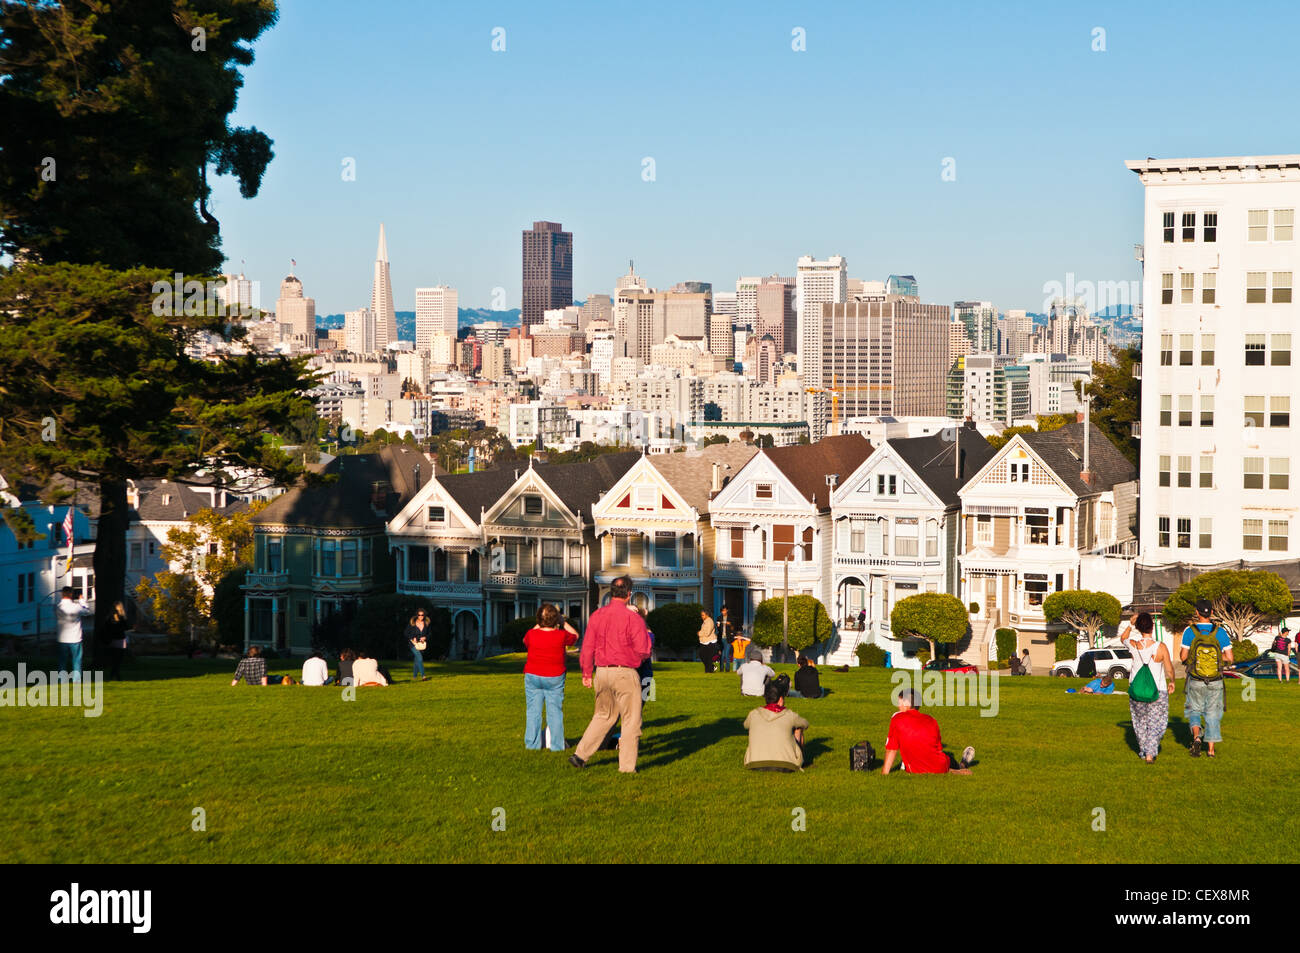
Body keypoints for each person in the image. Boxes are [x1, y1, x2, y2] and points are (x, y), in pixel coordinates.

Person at [570, 576, 652, 772]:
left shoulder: (597, 615)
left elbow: (587, 647)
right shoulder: (633, 618)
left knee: (603, 715)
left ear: (612, 592)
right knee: (631, 721)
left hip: (602, 672)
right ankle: (626, 767)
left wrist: (586, 673)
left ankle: (580, 755)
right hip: (625, 672)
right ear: (629, 594)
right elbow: (644, 650)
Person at [523, 603, 579, 752]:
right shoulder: (561, 635)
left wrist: (540, 622)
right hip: (555, 676)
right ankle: (556, 745)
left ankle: (532, 745)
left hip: (533, 675)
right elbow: (576, 636)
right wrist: (562, 621)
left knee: (533, 712)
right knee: (554, 712)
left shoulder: (532, 634)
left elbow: (525, 640)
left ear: (538, 619)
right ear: (556, 619)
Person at [1181, 598, 1232, 758]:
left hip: (1195, 679)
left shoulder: (1189, 631)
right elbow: (1229, 657)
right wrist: (1216, 658)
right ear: (1211, 612)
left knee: (1194, 710)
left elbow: (1183, 656)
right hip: (1215, 679)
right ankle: (1210, 749)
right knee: (1212, 713)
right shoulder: (1220, 632)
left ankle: (1196, 737)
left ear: (1197, 612)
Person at [881, 688, 974, 775]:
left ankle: (961, 765)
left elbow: (891, 750)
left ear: (906, 703)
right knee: (947, 759)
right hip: (939, 765)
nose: (898, 705)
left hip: (915, 769)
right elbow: (939, 749)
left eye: (899, 702)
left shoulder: (897, 718)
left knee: (923, 761)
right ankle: (961, 765)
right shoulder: (931, 720)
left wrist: (884, 774)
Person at [1122, 611, 1175, 763]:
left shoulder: (1133, 645)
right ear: (1152, 627)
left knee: (1139, 722)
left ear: (1138, 628)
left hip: (1136, 689)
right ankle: (1150, 753)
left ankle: (1144, 750)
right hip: (1157, 689)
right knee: (1157, 722)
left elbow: (1123, 638)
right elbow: (1169, 668)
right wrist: (1172, 681)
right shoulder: (1160, 647)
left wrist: (1130, 624)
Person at [743, 675, 809, 771]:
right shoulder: (790, 715)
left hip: (754, 763)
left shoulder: (753, 714)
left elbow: (746, 725)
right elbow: (805, 724)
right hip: (787, 764)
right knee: (798, 728)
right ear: (781, 699)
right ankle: (799, 760)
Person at [55, 587, 91, 682]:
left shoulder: (58, 607)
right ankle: (76, 679)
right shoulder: (76, 607)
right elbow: (87, 611)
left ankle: (61, 679)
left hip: (62, 638)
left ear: (62, 594)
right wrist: (82, 601)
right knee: (76, 660)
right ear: (71, 594)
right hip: (75, 638)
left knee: (62, 661)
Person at [102, 600, 130, 680]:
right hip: (120, 639)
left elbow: (106, 628)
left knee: (114, 658)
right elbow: (125, 627)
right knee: (119, 659)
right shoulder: (121, 618)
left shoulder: (109, 618)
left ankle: (114, 674)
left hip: (112, 640)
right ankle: (115, 674)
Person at [405, 609, 431, 682]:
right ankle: (423, 676)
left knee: (416, 660)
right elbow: (406, 633)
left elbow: (430, 634)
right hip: (413, 644)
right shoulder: (412, 624)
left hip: (421, 644)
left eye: (422, 615)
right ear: (417, 615)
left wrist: (425, 637)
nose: (421, 616)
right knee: (420, 658)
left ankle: (414, 676)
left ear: (424, 615)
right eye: (419, 615)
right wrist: (412, 638)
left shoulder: (426, 624)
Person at [717, 607, 735, 672]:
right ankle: (721, 669)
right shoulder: (719, 618)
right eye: (722, 611)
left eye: (724, 610)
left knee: (726, 654)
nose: (723, 612)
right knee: (722, 654)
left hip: (728, 638)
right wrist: (718, 625)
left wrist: (730, 624)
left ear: (727, 610)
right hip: (722, 638)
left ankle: (727, 669)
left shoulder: (731, 618)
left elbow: (733, 628)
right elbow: (718, 628)